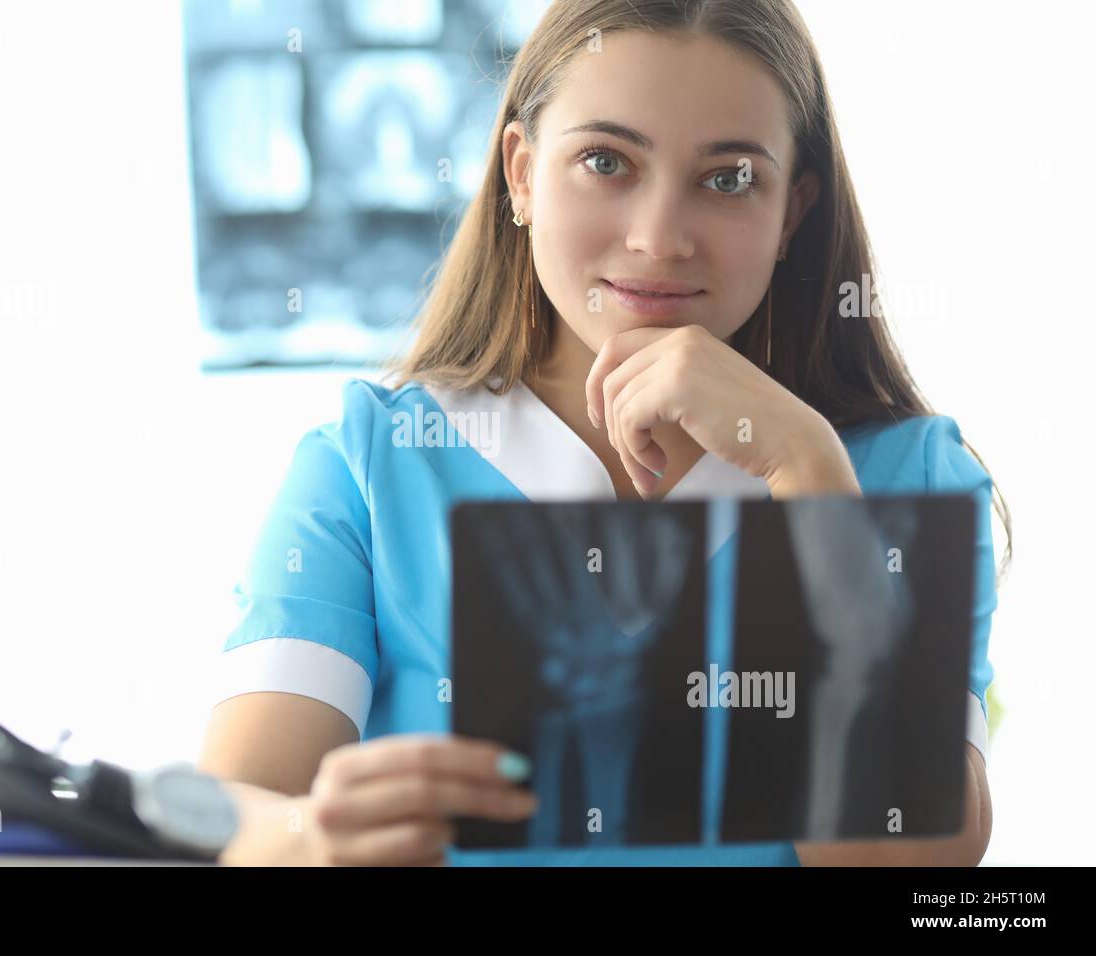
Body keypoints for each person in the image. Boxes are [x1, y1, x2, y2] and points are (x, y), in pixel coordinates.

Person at [197, 0, 1011, 866]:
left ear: (793, 213)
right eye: (605, 161)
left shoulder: (908, 478)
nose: (658, 239)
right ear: (520, 172)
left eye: (729, 178)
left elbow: (909, 862)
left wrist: (806, 472)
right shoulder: (365, 470)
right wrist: (309, 839)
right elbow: (232, 812)